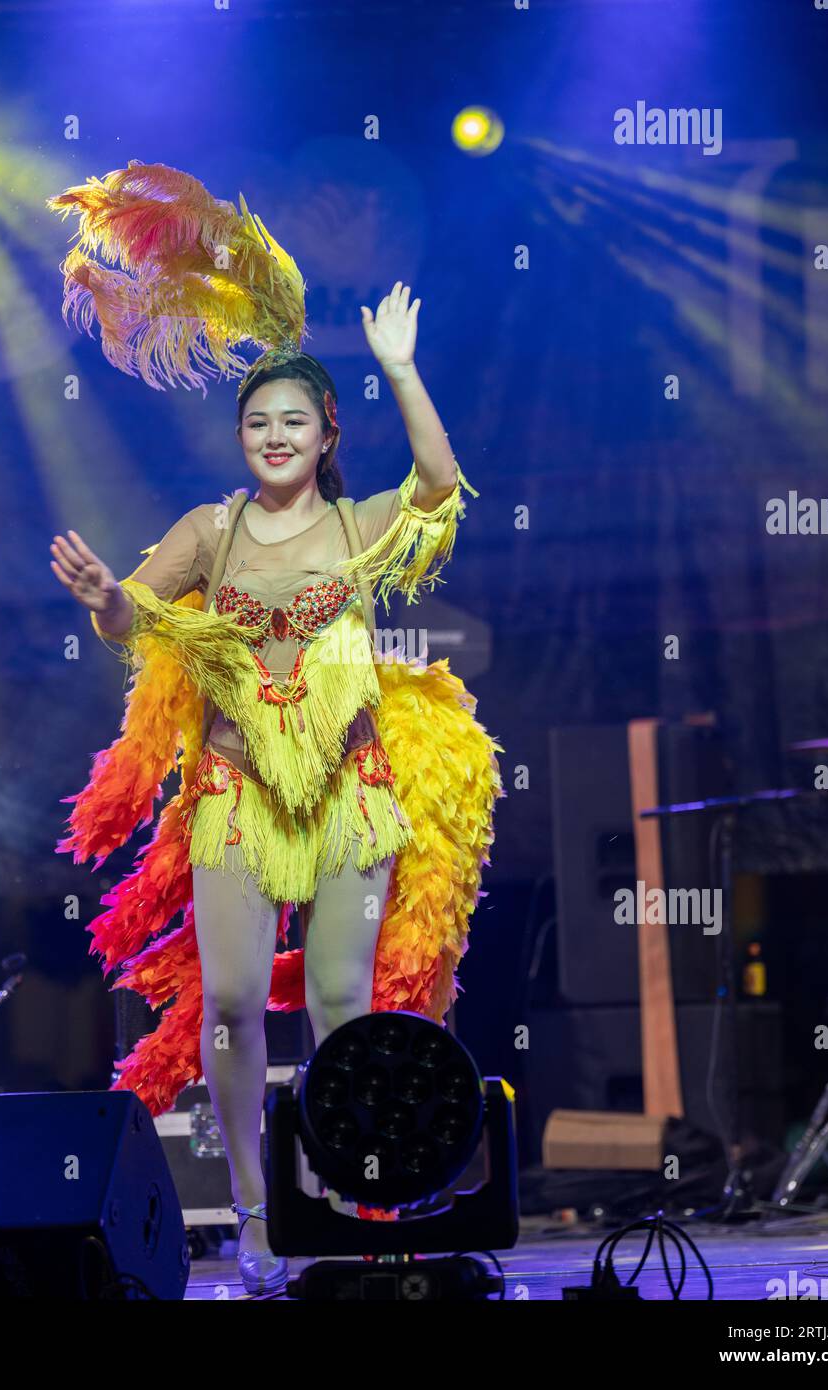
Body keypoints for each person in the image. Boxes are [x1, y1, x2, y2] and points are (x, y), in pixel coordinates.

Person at [46, 163, 502, 1295]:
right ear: (243, 435)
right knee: (241, 1003)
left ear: (324, 429)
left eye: (294, 420)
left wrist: (400, 368)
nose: (275, 435)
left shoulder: (356, 525)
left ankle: (355, 1193)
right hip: (238, 795)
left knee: (343, 996)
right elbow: (130, 623)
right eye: (259, 421)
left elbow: (441, 485)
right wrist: (104, 591)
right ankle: (254, 1210)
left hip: (348, 792)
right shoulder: (210, 529)